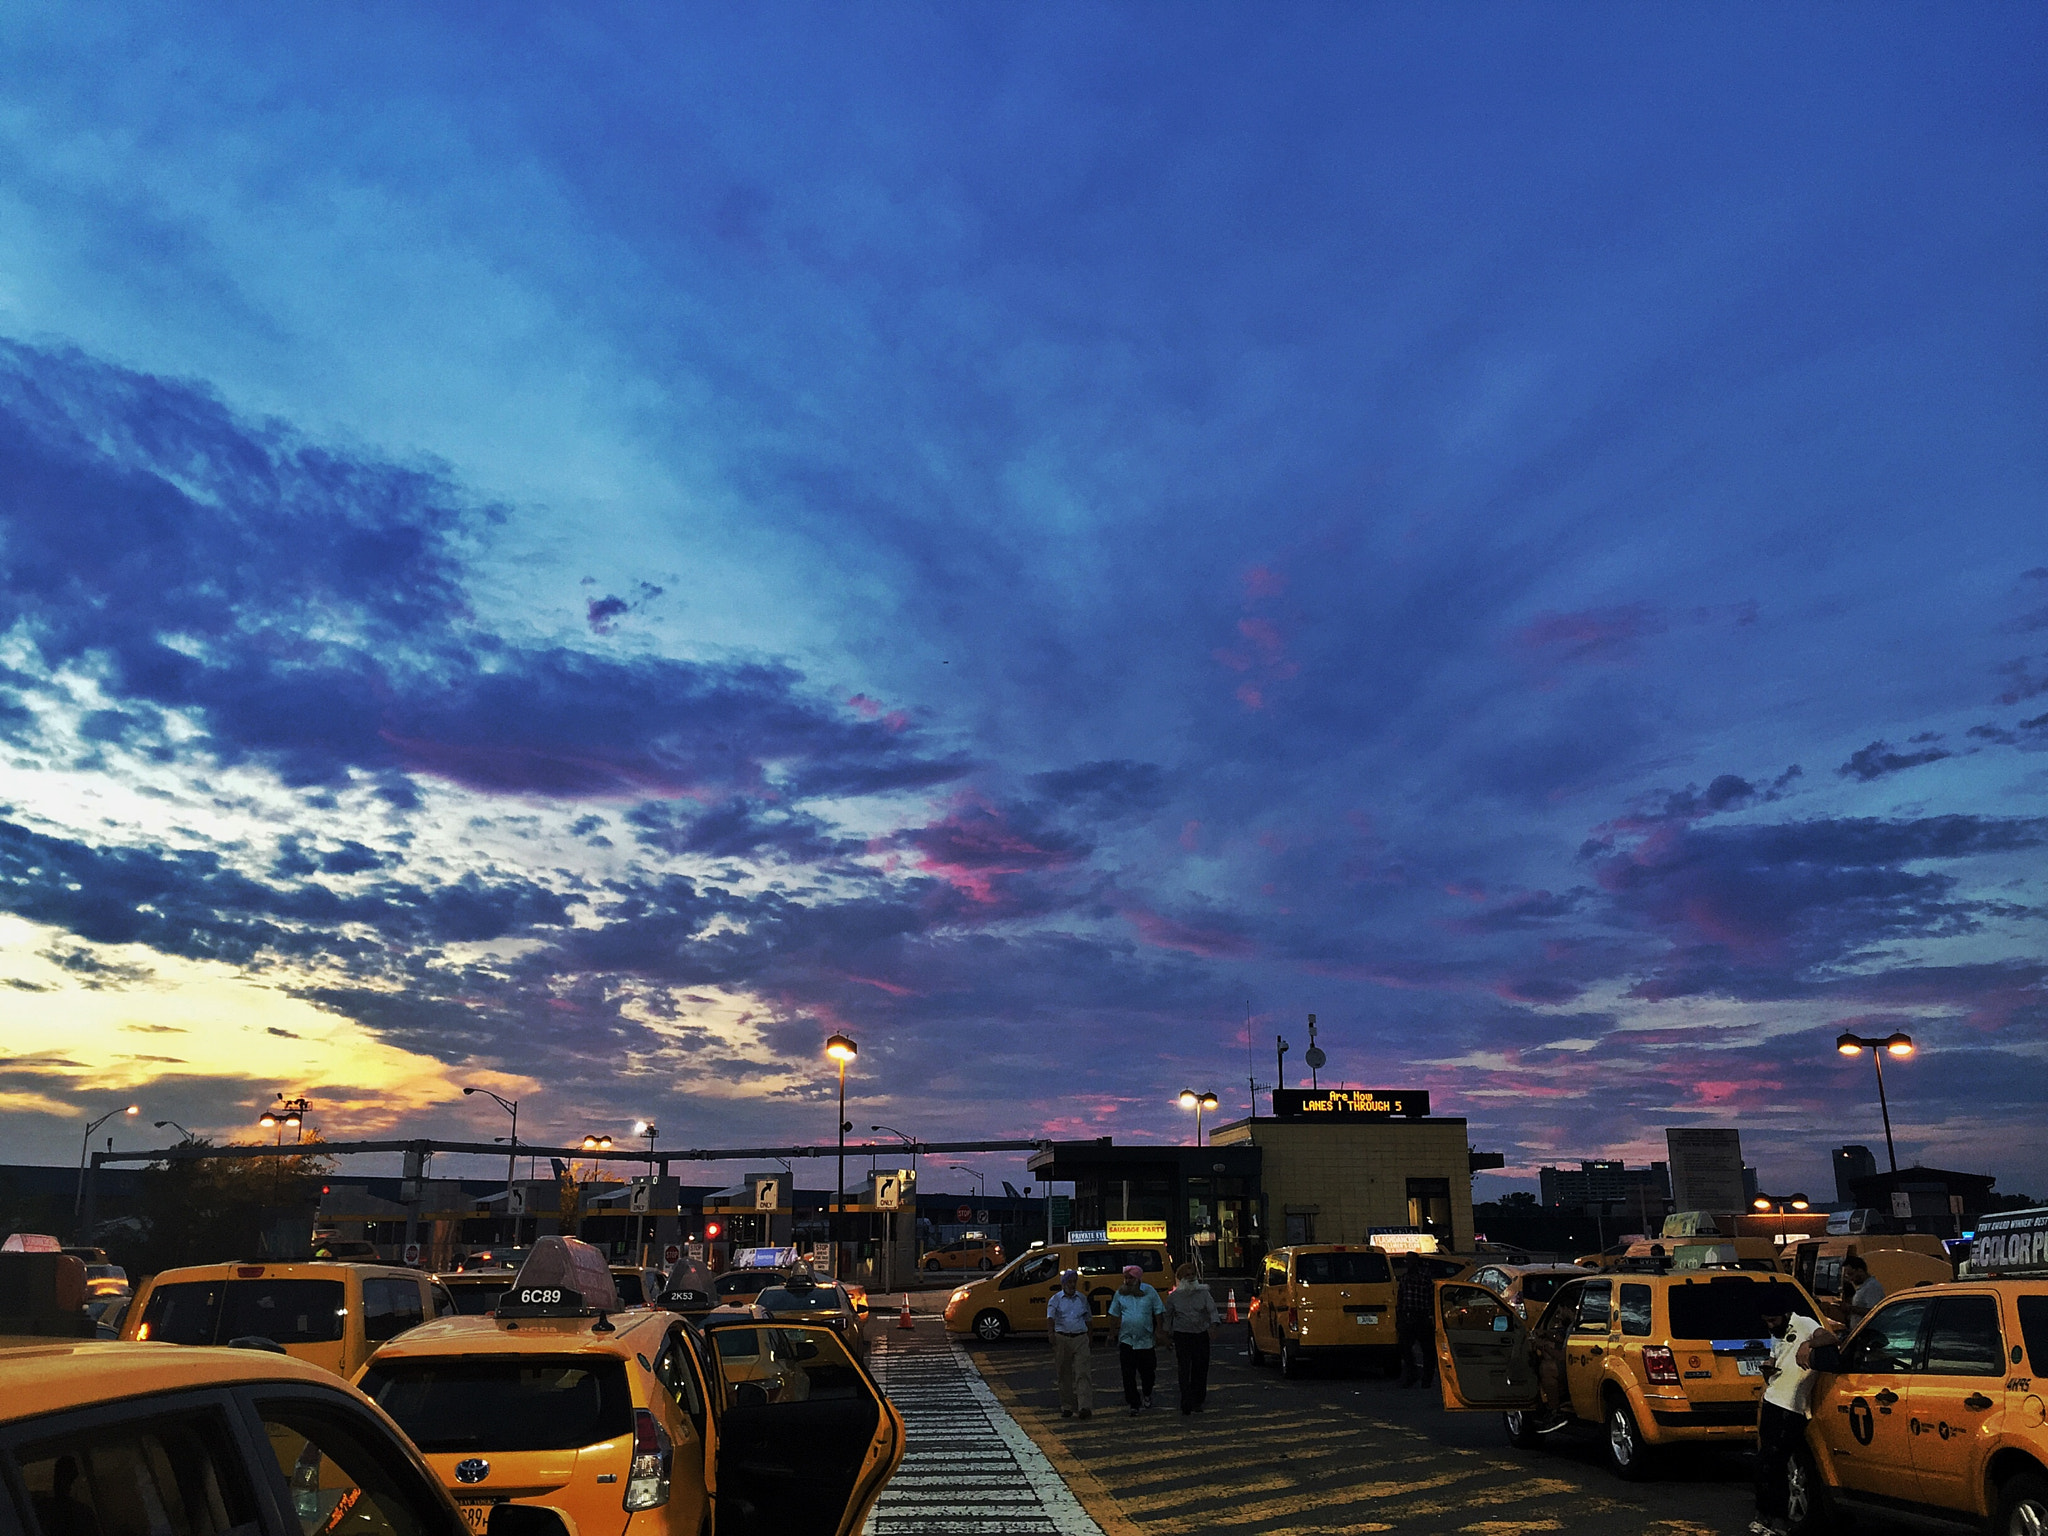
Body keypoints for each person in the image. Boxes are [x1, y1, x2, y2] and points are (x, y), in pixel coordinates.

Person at [1750, 1303, 1837, 1536]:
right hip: (1772, 1399)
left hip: (1792, 1406)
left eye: (1773, 1320)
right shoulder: (1776, 1334)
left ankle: (1778, 1519)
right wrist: (1769, 1366)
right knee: (1764, 1462)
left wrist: (1807, 1344)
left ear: (1784, 1314)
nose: (1770, 1326)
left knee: (1777, 1462)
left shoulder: (1804, 1323)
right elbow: (1775, 1357)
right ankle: (1764, 1514)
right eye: (1766, 1321)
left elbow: (1829, 1337)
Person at [1162, 1262, 1221, 1414]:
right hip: (1182, 1335)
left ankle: (1198, 1400)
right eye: (1186, 1275)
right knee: (1184, 1368)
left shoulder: (1204, 1293)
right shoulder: (1174, 1297)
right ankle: (1186, 1400)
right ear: (1180, 1278)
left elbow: (1212, 1310)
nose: (1189, 1278)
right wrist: (1166, 1335)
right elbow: (1167, 1317)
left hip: (1200, 1334)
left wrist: (1213, 1325)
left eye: (1192, 1274)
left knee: (1200, 1368)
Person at [1107, 1264, 1166, 1414]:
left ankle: (1147, 1393)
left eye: (1130, 1278)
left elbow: (1158, 1311)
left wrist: (1160, 1330)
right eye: (1125, 1278)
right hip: (1127, 1340)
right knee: (1128, 1374)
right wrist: (1112, 1333)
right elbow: (1114, 1314)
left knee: (1148, 1372)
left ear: (1138, 1278)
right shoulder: (1120, 1293)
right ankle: (1134, 1403)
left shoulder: (1149, 1291)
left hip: (1146, 1341)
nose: (1127, 1281)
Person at [1046, 1268, 1095, 1419]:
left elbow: (1088, 1318)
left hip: (1080, 1337)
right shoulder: (1055, 1300)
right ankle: (1067, 1406)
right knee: (1064, 1373)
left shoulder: (1081, 1298)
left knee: (1083, 1373)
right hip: (1062, 1338)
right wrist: (1051, 1334)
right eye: (1069, 1282)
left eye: (1074, 1282)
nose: (1072, 1285)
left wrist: (1090, 1336)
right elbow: (1050, 1318)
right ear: (1063, 1284)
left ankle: (1084, 1406)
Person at [1395, 1253, 1436, 1388]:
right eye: (1407, 1260)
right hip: (1408, 1316)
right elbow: (1400, 1299)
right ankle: (1412, 1374)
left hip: (1422, 1317)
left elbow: (1432, 1298)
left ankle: (1426, 1379)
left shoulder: (1424, 1278)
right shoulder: (1405, 1278)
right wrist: (1400, 1317)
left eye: (1409, 1260)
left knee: (1427, 1350)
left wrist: (1431, 1316)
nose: (1407, 1263)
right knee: (1404, 1347)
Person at [1839, 1256, 1884, 1335]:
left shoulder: (1872, 1287)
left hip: (1867, 1333)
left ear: (1860, 1271)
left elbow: (1873, 1312)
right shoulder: (1863, 1287)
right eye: (1847, 1276)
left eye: (1851, 1274)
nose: (1850, 1279)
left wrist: (1850, 1308)